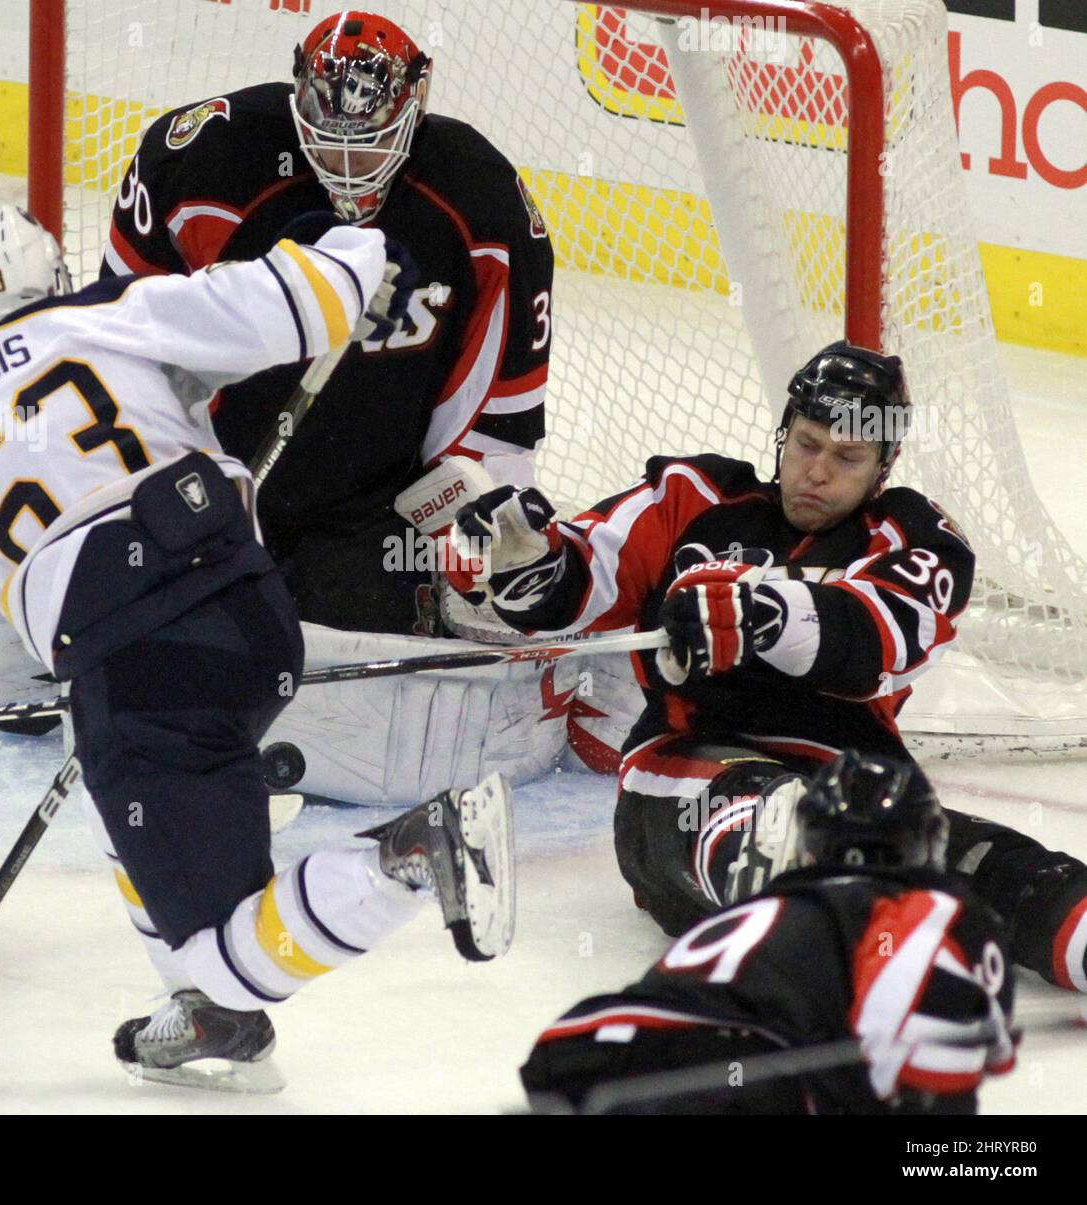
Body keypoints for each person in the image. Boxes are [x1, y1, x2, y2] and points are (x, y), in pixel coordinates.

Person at [0, 202, 516, 1089]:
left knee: (226, 952)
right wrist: (355, 255)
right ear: (53, 270)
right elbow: (303, 295)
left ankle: (411, 855)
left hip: (139, 663)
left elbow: (19, 616)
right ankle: (203, 1012)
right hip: (249, 617)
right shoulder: (114, 314)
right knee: (117, 796)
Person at [445, 340, 1087, 994]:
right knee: (774, 822)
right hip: (683, 777)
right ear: (783, 433)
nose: (817, 471)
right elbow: (581, 580)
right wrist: (521, 565)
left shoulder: (917, 538)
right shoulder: (690, 498)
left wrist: (764, 615)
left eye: (847, 457)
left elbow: (875, 638)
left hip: (854, 786)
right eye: (807, 443)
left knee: (999, 868)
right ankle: (825, 934)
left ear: (884, 466)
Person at [72, 8, 560, 803]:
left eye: (367, 141)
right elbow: (117, 355)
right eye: (326, 138)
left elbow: (496, 420)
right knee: (158, 638)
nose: (345, 163)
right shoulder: (200, 161)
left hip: (367, 509)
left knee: (345, 674)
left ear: (417, 101)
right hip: (206, 487)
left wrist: (467, 537)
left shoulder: (484, 204)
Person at [519, 752, 1017, 1114]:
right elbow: (920, 1065)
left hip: (580, 1053)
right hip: (730, 1080)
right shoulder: (925, 909)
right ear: (928, 842)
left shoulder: (768, 908)